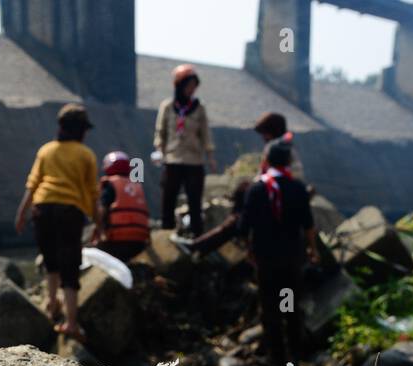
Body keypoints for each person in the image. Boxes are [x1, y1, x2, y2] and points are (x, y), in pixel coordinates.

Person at [15, 103, 100, 343]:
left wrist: (22, 214)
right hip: (69, 211)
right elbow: (93, 193)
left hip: (41, 209)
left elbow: (32, 184)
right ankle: (71, 323)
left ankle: (52, 304)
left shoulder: (46, 150)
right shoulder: (86, 154)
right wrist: (99, 223)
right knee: (70, 265)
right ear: (81, 130)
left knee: (50, 260)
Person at [172, 110, 296, 258]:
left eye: (265, 133)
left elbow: (285, 179)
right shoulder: (278, 148)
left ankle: (201, 245)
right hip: (270, 196)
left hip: (275, 201)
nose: (263, 137)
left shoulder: (284, 152)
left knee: (238, 220)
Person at [240, 139, 318, 366]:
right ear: (289, 163)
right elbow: (309, 226)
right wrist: (312, 250)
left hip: (266, 259)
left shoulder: (256, 189)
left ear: (266, 160)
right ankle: (295, 356)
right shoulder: (298, 188)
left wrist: (249, 250)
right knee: (291, 305)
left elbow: (245, 227)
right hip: (292, 258)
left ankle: (276, 358)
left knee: (270, 307)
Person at [154, 64, 215, 236]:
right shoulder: (167, 107)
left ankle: (197, 235)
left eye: (194, 87)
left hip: (193, 161)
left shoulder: (199, 108)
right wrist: (159, 150)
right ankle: (166, 232)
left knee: (194, 200)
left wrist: (210, 156)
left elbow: (205, 134)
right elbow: (161, 132)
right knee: (169, 198)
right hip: (172, 159)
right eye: (188, 86)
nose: (191, 90)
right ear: (179, 86)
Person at [94, 150, 151, 262]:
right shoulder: (137, 186)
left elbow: (102, 210)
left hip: (116, 240)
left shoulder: (110, 184)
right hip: (139, 242)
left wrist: (99, 233)